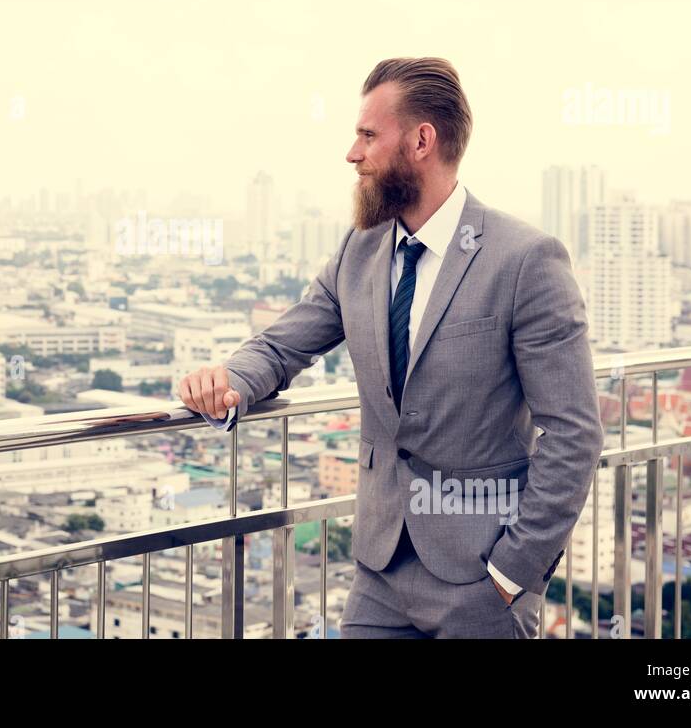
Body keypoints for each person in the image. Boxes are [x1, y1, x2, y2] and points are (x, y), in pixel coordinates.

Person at [178, 57, 603, 638]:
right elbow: (284, 343)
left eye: (368, 135)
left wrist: (513, 571)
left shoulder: (525, 260)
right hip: (379, 573)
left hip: (482, 579)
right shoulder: (361, 248)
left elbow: (575, 431)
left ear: (422, 140)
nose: (352, 154)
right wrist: (229, 378)